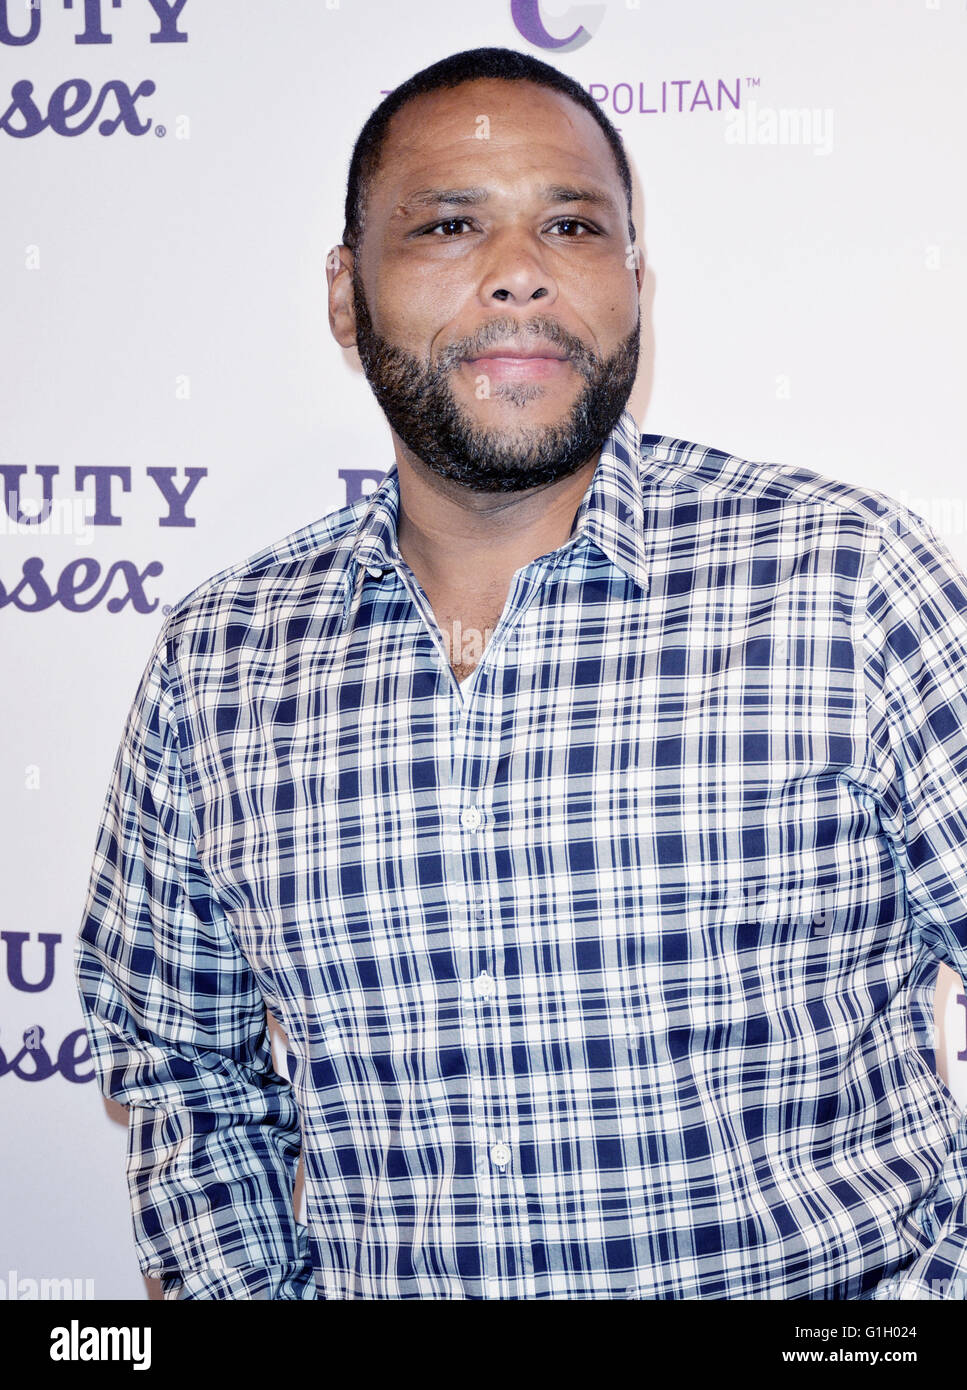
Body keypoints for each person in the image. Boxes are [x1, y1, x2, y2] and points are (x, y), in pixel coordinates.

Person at [75, 45, 967, 1301]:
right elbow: (176, 1056)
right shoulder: (218, 660)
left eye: (571, 224)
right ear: (346, 296)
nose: (519, 272)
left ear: (635, 282)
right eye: (449, 225)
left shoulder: (844, 579)